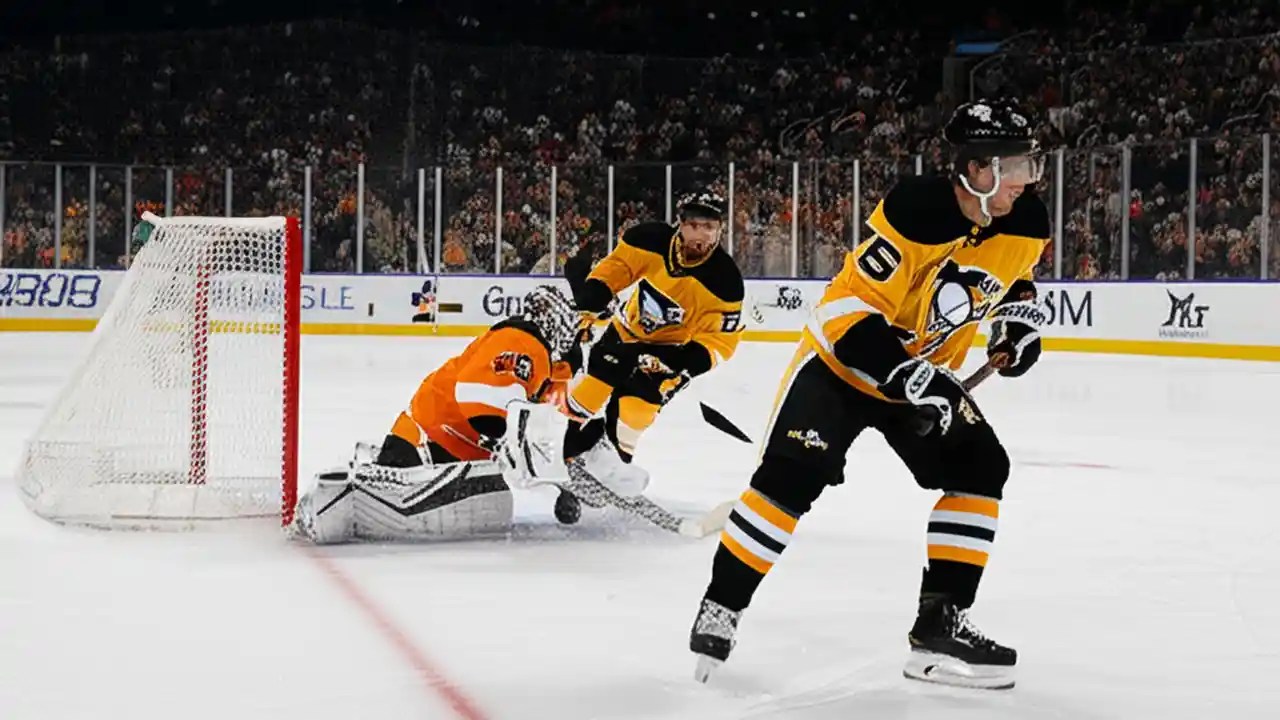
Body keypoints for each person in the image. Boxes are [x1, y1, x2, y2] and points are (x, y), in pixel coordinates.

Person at [687, 99, 1052, 690]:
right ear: (977, 170)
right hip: (844, 366)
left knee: (982, 466)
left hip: (921, 376)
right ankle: (721, 605)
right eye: (1014, 167)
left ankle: (939, 627)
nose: (1026, 180)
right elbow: (848, 313)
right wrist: (909, 374)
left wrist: (1015, 326)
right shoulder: (915, 214)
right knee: (789, 480)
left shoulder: (1027, 219)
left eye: (1029, 165)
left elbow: (1015, 282)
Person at [290, 285, 585, 544]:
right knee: (402, 476)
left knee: (495, 496)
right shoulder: (522, 342)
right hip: (432, 435)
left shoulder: (540, 357)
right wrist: (503, 441)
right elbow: (479, 395)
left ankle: (371, 483)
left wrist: (560, 477)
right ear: (552, 322)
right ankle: (353, 492)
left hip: (454, 446)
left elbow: (536, 416)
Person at [559, 190, 746, 496]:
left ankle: (612, 473)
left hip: (669, 353)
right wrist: (595, 292)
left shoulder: (725, 281)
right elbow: (618, 269)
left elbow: (719, 340)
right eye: (694, 226)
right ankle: (563, 452)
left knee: (635, 410)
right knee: (589, 393)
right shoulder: (649, 240)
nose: (701, 235)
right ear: (680, 224)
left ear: (720, 230)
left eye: (709, 227)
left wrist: (683, 362)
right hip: (624, 333)